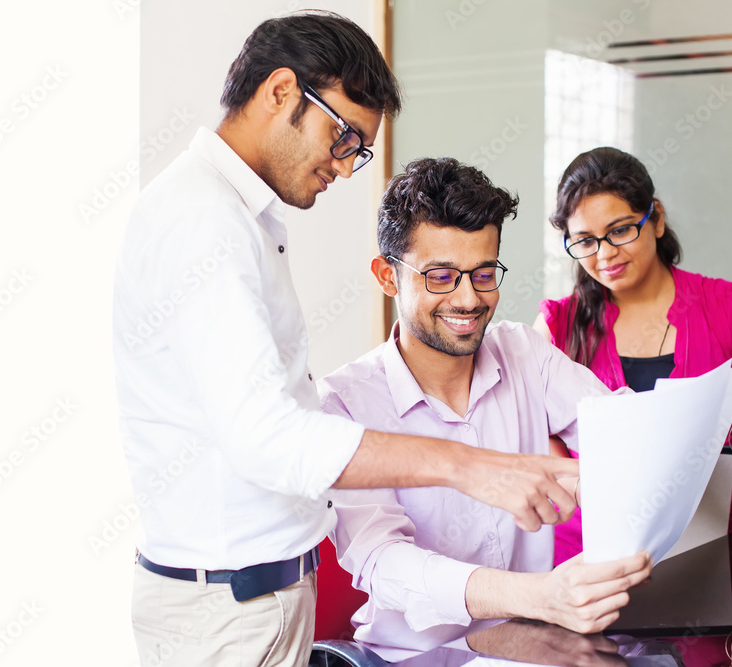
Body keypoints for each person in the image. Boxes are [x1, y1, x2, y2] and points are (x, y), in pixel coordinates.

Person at [114, 12, 579, 667]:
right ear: (281, 92)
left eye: (358, 148)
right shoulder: (205, 222)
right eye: (345, 138)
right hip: (226, 608)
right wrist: (473, 466)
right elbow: (267, 436)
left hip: (260, 596)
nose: (347, 164)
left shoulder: (240, 219)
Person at [320, 157, 652, 660]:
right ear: (388, 276)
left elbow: (619, 430)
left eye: (482, 273)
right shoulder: (344, 403)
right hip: (417, 657)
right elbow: (384, 562)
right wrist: (540, 597)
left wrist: (612, 469)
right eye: (440, 277)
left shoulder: (523, 351)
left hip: (534, 647)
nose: (468, 298)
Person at [534, 146, 732, 572]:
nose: (605, 254)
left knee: (714, 643)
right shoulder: (557, 327)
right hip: (591, 554)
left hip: (720, 548)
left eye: (619, 231)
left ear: (655, 218)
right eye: (585, 241)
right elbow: (545, 455)